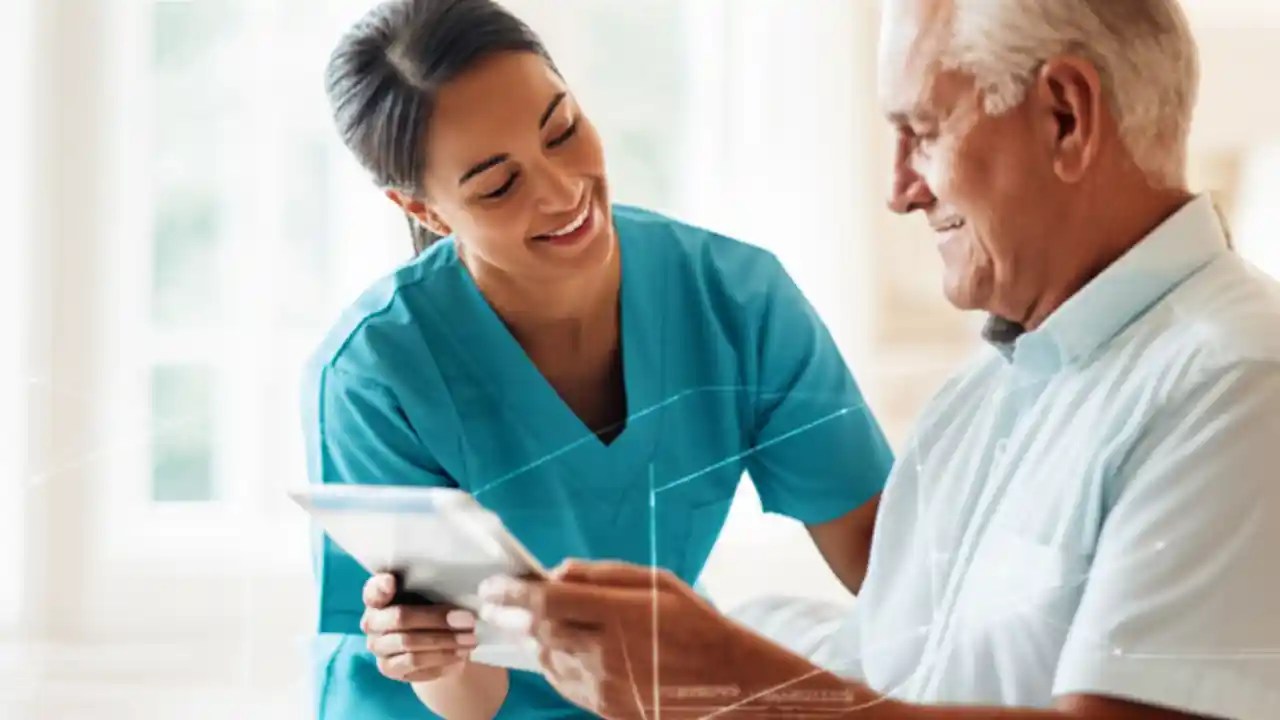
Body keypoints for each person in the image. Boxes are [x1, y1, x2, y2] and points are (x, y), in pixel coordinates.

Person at [484, 0, 1280, 718]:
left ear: (1066, 118)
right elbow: (893, 679)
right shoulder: (980, 398)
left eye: (924, 132)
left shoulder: (1239, 385)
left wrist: (734, 683)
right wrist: (694, 650)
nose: (899, 190)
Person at [302, 0, 895, 717]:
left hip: (637, 691)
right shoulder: (375, 373)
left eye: (562, 130)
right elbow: (470, 695)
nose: (562, 191)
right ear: (425, 211)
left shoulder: (738, 302)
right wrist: (434, 650)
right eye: (498, 185)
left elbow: (883, 559)